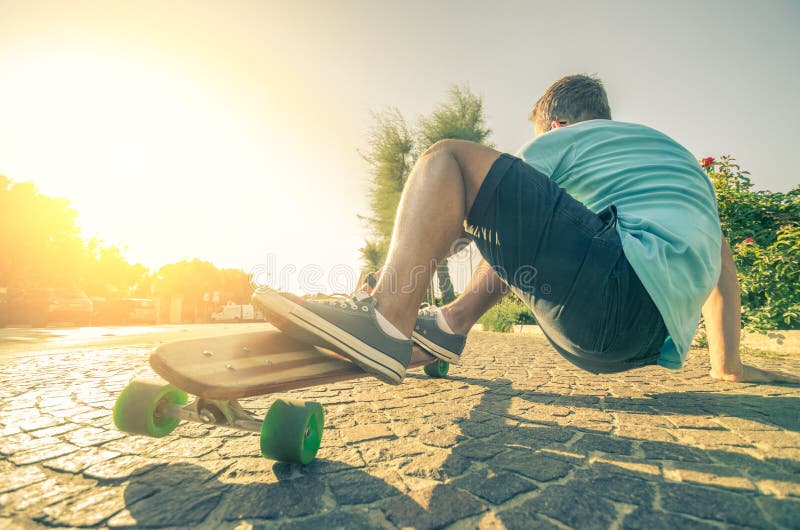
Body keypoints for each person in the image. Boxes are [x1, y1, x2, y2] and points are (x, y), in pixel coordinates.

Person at [253, 74, 799, 386]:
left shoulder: (568, 139)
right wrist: (728, 369)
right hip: (640, 339)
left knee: (447, 160)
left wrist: (402, 275)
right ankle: (448, 325)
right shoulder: (674, 167)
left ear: (557, 126)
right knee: (543, 238)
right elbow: (721, 267)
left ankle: (385, 324)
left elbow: (468, 208)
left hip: (607, 295)